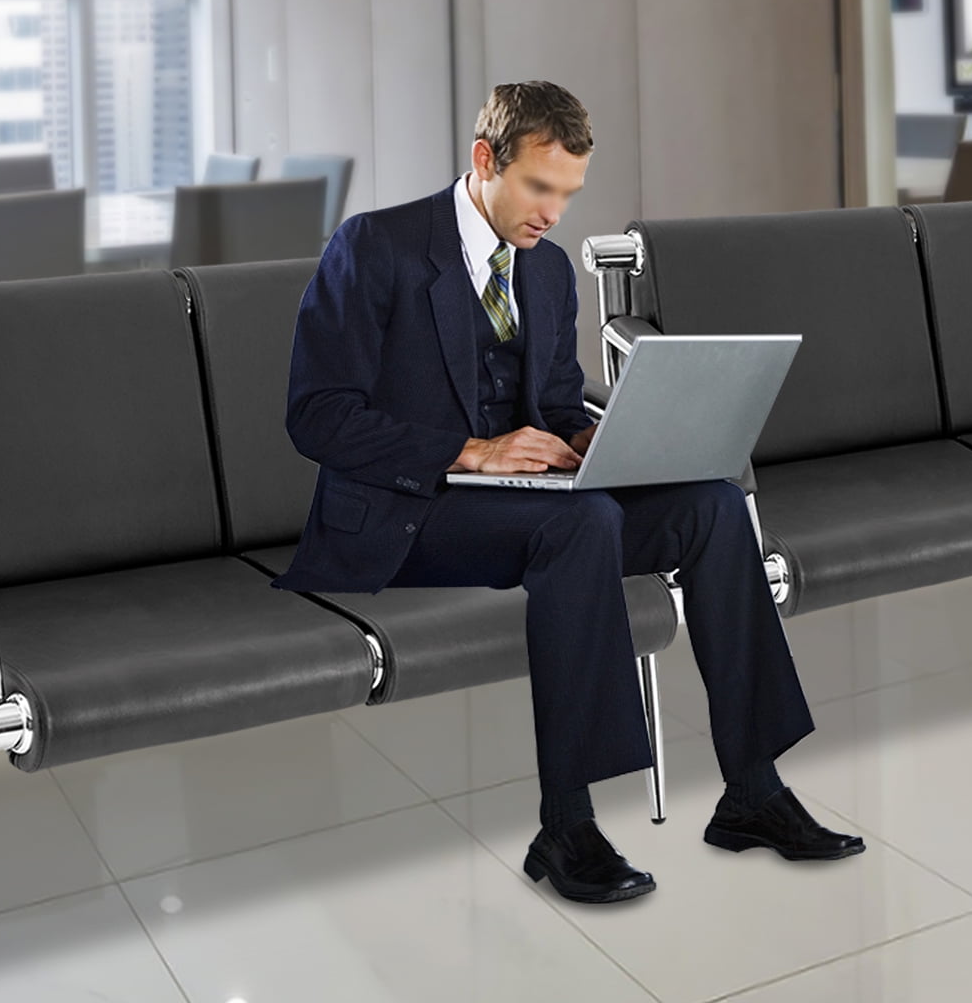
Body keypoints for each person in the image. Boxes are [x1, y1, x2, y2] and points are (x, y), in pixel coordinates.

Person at [273, 81, 862, 903]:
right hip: (405, 514)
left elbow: (551, 402)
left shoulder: (545, 271)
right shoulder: (374, 246)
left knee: (713, 506)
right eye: (538, 188)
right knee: (582, 524)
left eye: (569, 195)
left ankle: (754, 792)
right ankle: (568, 824)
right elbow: (317, 416)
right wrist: (471, 450)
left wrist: (596, 436)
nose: (553, 213)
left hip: (527, 504)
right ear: (485, 160)